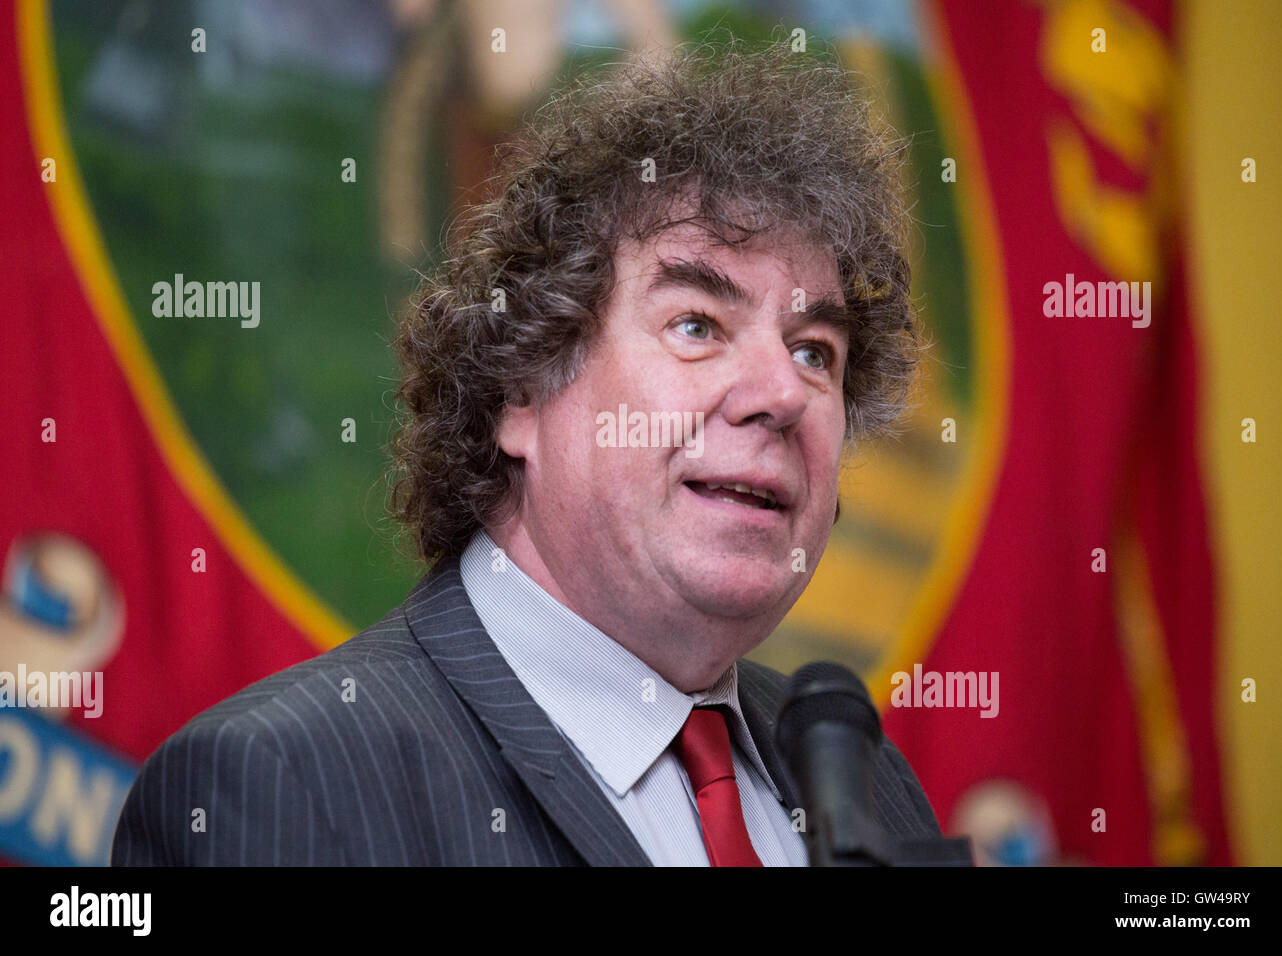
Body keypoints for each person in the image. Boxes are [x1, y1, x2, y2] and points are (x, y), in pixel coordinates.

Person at [111, 37, 941, 866]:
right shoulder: (283, 786)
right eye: (697, 326)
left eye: (814, 352)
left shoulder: (866, 787)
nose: (784, 393)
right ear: (524, 388)